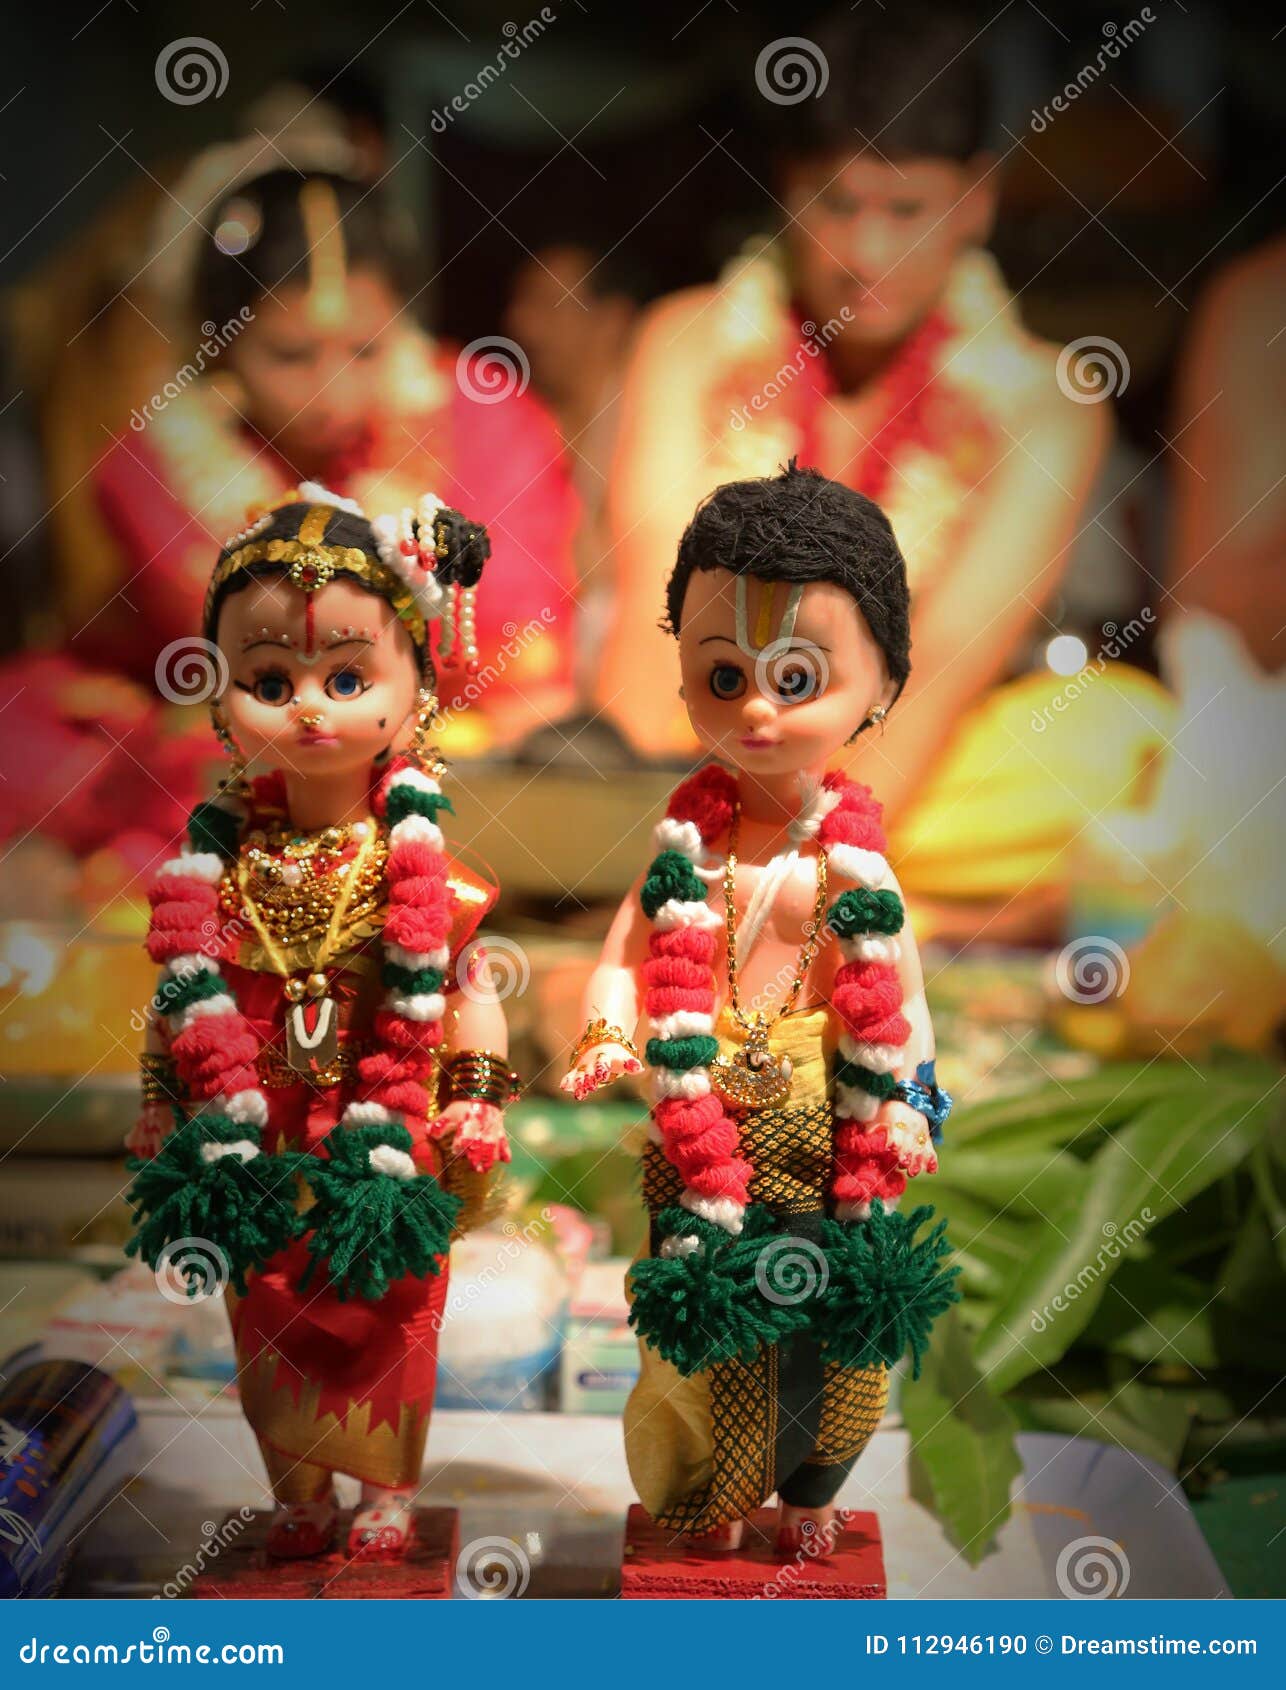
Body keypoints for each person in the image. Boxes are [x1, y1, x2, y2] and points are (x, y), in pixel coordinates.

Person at [597, 5, 1171, 939]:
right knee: (517, 750)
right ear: (787, 189)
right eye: (837, 204)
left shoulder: (1049, 403)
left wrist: (794, 850)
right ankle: (898, 911)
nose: (867, 255)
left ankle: (829, 892)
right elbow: (651, 635)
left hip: (915, 769)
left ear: (977, 201)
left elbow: (939, 669)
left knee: (1115, 740)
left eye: (907, 211)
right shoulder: (689, 343)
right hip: (693, 740)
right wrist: (655, 810)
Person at [563, 464, 957, 1554]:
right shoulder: (682, 856)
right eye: (723, 674)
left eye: (796, 676)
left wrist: (910, 1104)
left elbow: (905, 1005)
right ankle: (712, 1504)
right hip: (703, 1147)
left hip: (828, 1142)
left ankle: (812, 1501)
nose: (758, 710)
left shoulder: (855, 872)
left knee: (834, 1344)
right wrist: (605, 1031)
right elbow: (617, 961)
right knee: (707, 1343)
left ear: (881, 683)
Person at [126, 488, 517, 1560]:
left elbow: (467, 988)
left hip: (382, 1133)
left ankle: (384, 1488)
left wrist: (475, 1101)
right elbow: (175, 1000)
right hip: (253, 1136)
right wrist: (163, 1099)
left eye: (347, 678)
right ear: (220, 694)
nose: (307, 708)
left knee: (389, 1305)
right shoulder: (211, 874)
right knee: (266, 1312)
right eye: (267, 680)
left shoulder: (420, 871)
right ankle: (296, 1490)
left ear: (415, 692)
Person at [84, 167, 577, 748]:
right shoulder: (157, 464)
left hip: (467, 762)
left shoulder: (482, 415)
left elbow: (519, 654)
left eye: (366, 351)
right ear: (219, 343)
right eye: (291, 356)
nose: (332, 395)